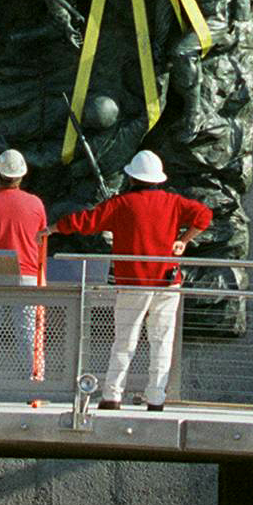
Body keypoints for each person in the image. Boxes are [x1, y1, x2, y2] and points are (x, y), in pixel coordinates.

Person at [52, 149, 212, 411]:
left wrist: (54, 227)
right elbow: (204, 215)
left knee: (125, 339)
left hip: (132, 281)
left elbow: (86, 221)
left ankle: (112, 396)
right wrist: (183, 241)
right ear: (158, 179)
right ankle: (156, 398)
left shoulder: (121, 204)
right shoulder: (173, 202)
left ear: (132, 178)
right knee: (162, 339)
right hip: (167, 280)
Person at [0, 149, 48, 386]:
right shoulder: (35, 203)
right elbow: (41, 237)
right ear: (22, 176)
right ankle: (34, 383)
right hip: (27, 274)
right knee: (29, 333)